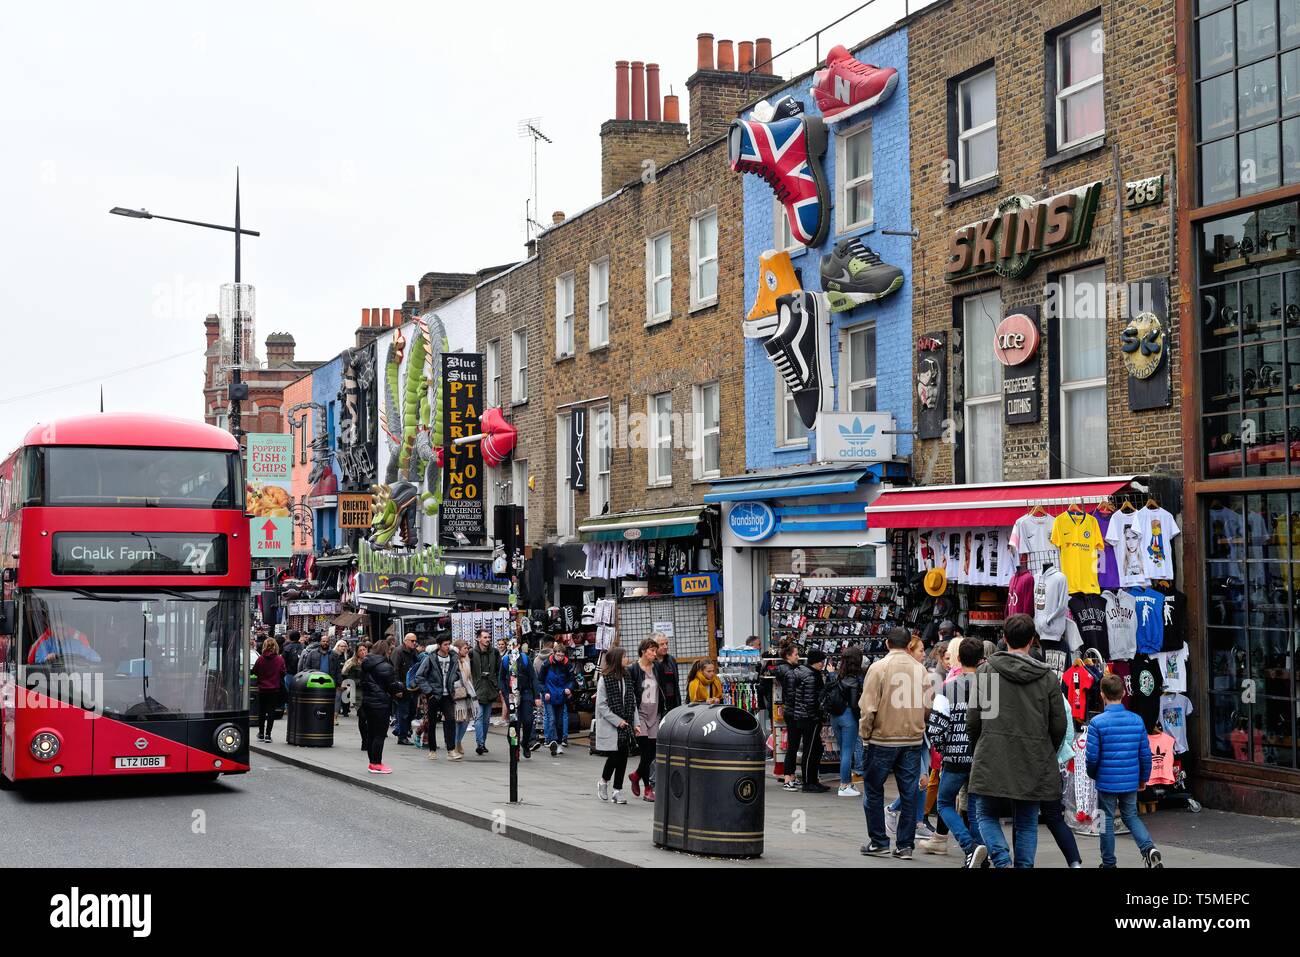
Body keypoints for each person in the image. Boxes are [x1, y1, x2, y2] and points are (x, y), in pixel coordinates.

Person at [967, 614, 1067, 868]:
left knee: (985, 814)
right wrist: (1047, 750)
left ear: (1004, 638)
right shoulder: (1047, 678)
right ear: (1033, 640)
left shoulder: (987, 671)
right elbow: (1058, 725)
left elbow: (974, 720)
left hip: (993, 753)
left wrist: (979, 745)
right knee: (1026, 820)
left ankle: (1001, 860)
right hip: (1033, 756)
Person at [859, 626, 931, 861]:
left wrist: (866, 734)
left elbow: (868, 707)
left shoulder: (878, 668)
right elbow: (928, 706)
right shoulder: (920, 670)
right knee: (909, 792)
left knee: (873, 789)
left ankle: (879, 841)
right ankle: (905, 845)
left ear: (887, 644)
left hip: (882, 738)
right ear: (908, 644)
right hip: (911, 739)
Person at [1087, 673, 1164, 869]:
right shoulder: (1136, 720)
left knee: (1105, 820)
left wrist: (1093, 773)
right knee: (1131, 815)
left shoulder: (1097, 723)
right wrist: (1143, 777)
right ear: (1123, 693)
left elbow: (1093, 757)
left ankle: (1109, 863)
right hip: (1130, 780)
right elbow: (1145, 754)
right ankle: (1148, 848)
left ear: (1102, 695)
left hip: (1106, 780)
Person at [923, 636, 986, 867]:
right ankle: (982, 854)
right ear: (981, 660)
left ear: (958, 659)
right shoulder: (990, 687)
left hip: (955, 756)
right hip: (980, 757)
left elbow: (937, 727)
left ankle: (970, 846)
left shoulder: (947, 688)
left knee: (945, 803)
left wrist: (942, 748)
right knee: (977, 808)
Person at [885, 637, 933, 837]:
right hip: (908, 734)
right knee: (919, 781)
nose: (924, 654)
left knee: (923, 780)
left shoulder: (921, 673)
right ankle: (903, 815)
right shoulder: (898, 674)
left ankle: (916, 821)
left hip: (921, 734)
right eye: (921, 650)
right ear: (909, 651)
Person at [594, 646, 639, 804]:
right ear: (616, 659)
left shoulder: (626, 676)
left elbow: (631, 701)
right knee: (614, 756)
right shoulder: (604, 679)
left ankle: (617, 790)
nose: (627, 659)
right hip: (611, 724)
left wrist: (636, 723)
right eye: (624, 656)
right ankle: (604, 781)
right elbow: (601, 705)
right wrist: (617, 720)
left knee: (623, 757)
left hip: (626, 723)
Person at [416, 635, 465, 761]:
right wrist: (429, 691)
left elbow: (458, 673)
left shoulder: (453, 657)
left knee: (450, 720)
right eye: (445, 644)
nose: (447, 647)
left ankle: (451, 750)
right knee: (432, 722)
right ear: (439, 645)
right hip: (434, 695)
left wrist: (453, 678)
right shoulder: (430, 658)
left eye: (449, 644)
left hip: (447, 695)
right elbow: (419, 676)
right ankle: (432, 750)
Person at [360, 639, 404, 773]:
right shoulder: (385, 666)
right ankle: (376, 763)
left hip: (367, 701)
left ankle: (372, 763)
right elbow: (391, 686)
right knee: (379, 734)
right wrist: (400, 686)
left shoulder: (366, 663)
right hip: (381, 703)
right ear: (385, 651)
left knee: (371, 734)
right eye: (389, 650)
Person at [627, 639, 662, 802]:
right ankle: (647, 789)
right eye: (652, 650)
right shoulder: (633, 669)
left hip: (655, 714)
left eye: (656, 650)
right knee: (646, 752)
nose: (655, 654)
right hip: (640, 714)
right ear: (643, 651)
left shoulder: (658, 668)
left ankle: (636, 775)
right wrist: (632, 719)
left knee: (653, 753)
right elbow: (630, 693)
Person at [829, 646, 865, 797]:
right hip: (849, 716)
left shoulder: (837, 676)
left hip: (835, 716)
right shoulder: (858, 678)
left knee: (844, 750)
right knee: (847, 751)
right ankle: (844, 785)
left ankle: (847, 783)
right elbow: (855, 703)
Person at [772, 642, 805, 790]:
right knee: (793, 745)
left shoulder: (785, 670)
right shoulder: (790, 672)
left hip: (790, 710)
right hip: (793, 711)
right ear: (788, 655)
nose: (798, 657)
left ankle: (791, 776)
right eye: (796, 654)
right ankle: (787, 777)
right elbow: (793, 694)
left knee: (794, 744)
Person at [499, 639, 540, 759]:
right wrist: (504, 693)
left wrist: (536, 696)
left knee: (528, 721)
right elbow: (501, 678)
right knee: (514, 723)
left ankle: (525, 743)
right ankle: (514, 748)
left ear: (519, 646)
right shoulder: (505, 660)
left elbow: (533, 678)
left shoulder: (525, 658)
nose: (513, 647)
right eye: (510, 645)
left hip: (525, 692)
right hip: (511, 695)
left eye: (515, 644)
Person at [539, 641, 576, 755]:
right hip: (549, 696)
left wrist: (569, 688)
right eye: (558, 655)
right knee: (552, 719)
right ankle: (552, 741)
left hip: (561, 696)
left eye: (562, 655)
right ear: (554, 654)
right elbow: (540, 681)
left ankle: (559, 743)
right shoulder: (546, 664)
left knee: (560, 722)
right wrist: (545, 692)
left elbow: (572, 680)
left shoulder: (567, 665)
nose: (560, 657)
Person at [469, 630, 502, 755]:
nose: (488, 639)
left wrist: (497, 685)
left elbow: (499, 670)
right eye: (485, 637)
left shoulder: (495, 652)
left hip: (490, 688)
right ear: (478, 639)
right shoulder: (472, 653)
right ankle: (480, 743)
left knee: (487, 719)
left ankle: (483, 743)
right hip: (477, 689)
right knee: (479, 717)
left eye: (489, 637)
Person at [251, 637, 285, 742]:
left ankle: (261, 733)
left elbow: (255, 671)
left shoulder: (261, 659)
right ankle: (268, 735)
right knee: (271, 712)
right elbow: (283, 672)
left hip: (262, 689)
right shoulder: (279, 659)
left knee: (261, 711)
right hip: (274, 689)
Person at [390, 633, 421, 745]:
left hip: (412, 686)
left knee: (412, 711)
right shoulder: (398, 652)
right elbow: (394, 670)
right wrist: (397, 689)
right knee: (403, 712)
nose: (414, 643)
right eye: (412, 641)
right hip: (402, 687)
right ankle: (402, 736)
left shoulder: (414, 652)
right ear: (405, 641)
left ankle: (401, 730)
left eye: (415, 641)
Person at [452, 638, 477, 756]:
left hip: (468, 692)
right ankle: (455, 743)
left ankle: (458, 741)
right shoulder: (453, 661)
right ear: (458, 649)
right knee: (458, 720)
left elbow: (469, 677)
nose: (467, 650)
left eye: (467, 648)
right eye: (465, 648)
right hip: (457, 693)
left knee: (466, 720)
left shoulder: (466, 660)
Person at [342, 641, 369, 747]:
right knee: (362, 716)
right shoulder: (352, 663)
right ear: (357, 652)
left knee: (368, 717)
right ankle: (364, 740)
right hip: (357, 693)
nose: (363, 652)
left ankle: (368, 739)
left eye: (364, 650)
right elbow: (349, 679)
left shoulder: (371, 661)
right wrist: (361, 682)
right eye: (361, 650)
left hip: (369, 692)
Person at [654, 634, 682, 716]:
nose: (665, 646)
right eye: (662, 644)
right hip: (657, 705)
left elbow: (676, 682)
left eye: (666, 643)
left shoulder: (671, 660)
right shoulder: (651, 662)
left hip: (673, 703)